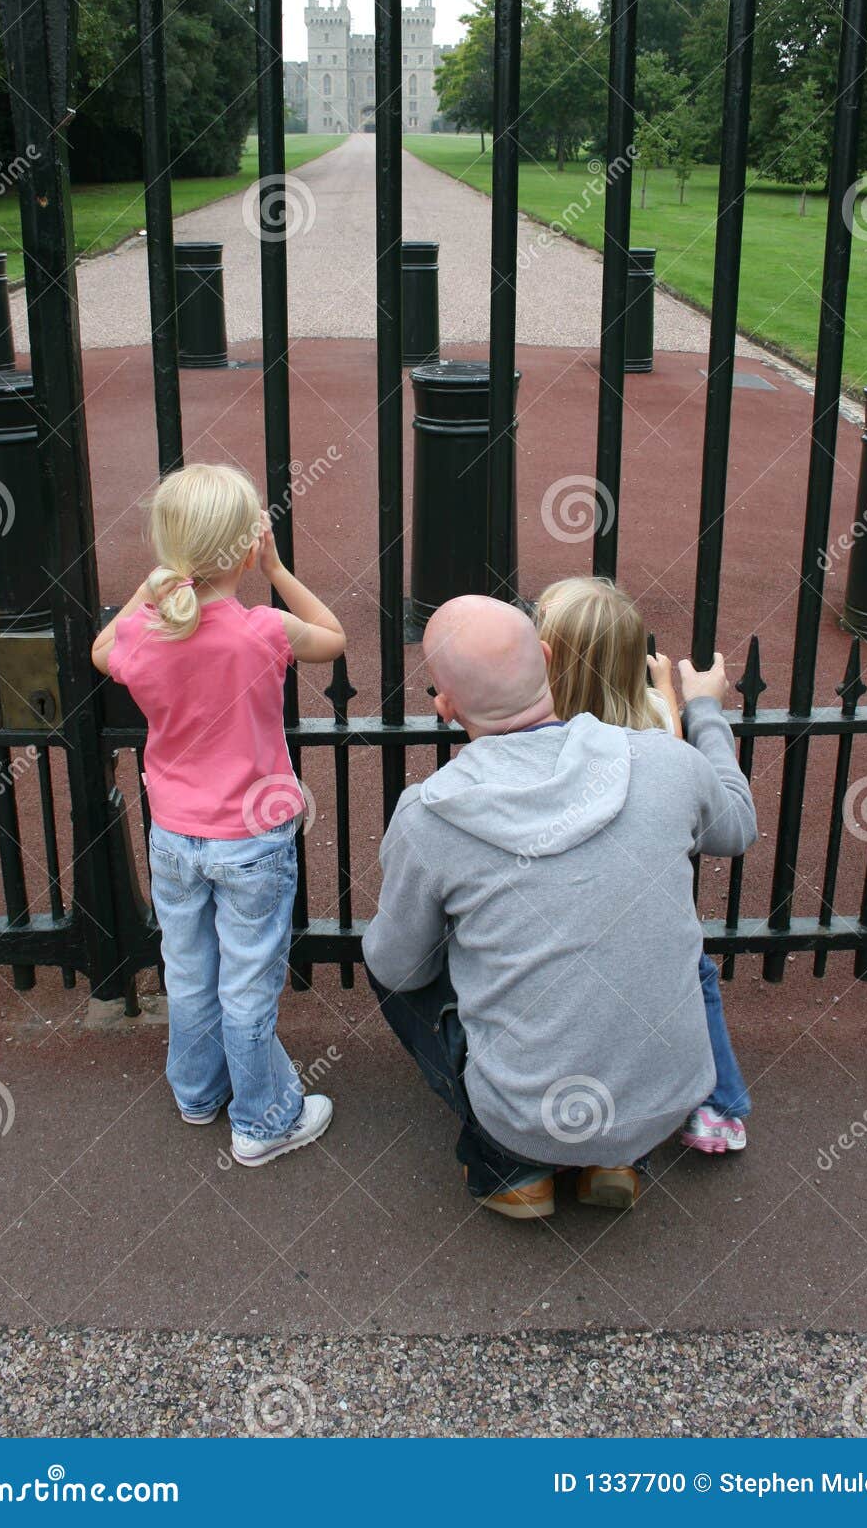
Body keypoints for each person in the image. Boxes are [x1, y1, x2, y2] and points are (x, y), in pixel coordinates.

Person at [362, 595, 756, 1220]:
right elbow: (737, 828)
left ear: (445, 705)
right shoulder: (663, 761)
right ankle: (615, 1157)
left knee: (388, 953)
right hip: (661, 1102)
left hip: (526, 1118)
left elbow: (400, 968)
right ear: (545, 658)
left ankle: (513, 1167)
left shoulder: (429, 814)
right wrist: (704, 709)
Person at [91, 463, 345, 1169]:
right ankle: (263, 1119)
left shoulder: (145, 636)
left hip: (174, 833)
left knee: (189, 966)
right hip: (252, 839)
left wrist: (150, 588)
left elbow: (100, 650)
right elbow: (333, 636)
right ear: (244, 547)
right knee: (248, 979)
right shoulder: (262, 629)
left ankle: (198, 1090)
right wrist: (279, 567)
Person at [535, 576, 751, 1156]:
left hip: (560, 908)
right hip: (650, 913)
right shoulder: (652, 713)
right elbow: (677, 761)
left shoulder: (534, 721)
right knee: (695, 975)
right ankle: (720, 1104)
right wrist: (680, 697)